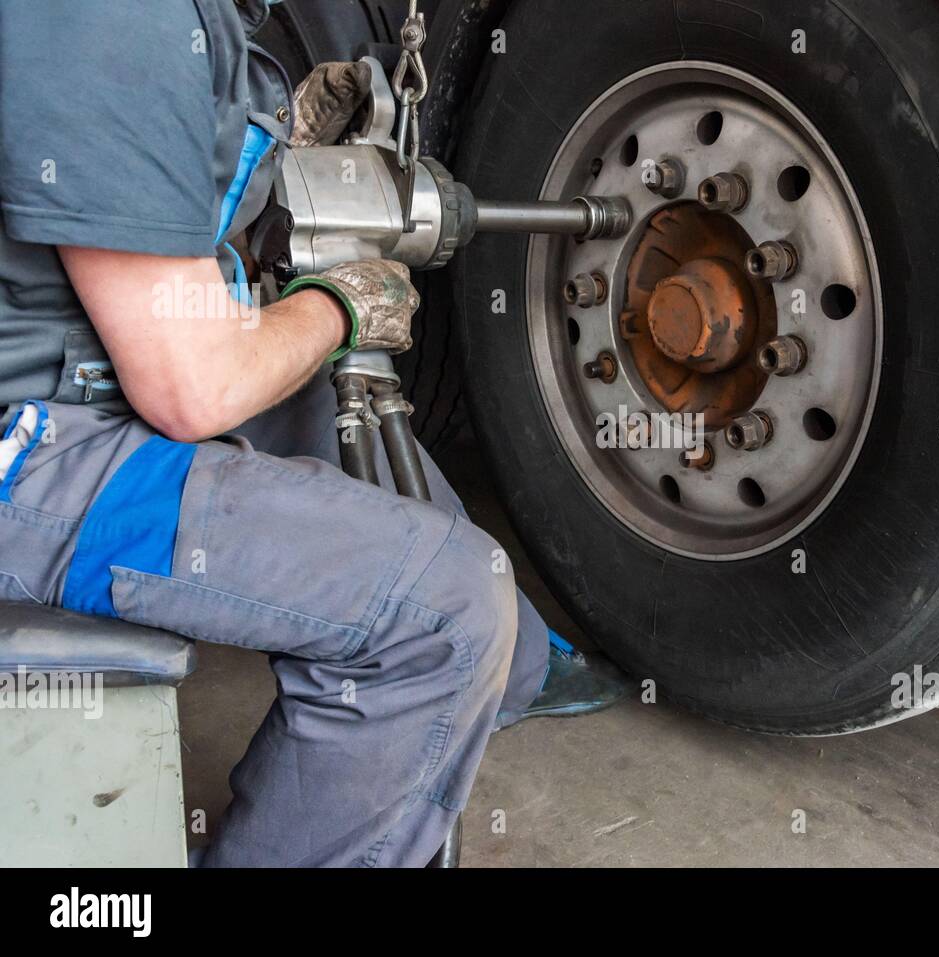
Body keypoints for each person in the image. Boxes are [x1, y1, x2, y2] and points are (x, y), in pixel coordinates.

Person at [0, 0, 626, 867]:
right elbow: (196, 386)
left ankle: (511, 666)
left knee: (345, 440)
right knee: (443, 610)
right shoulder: (110, 17)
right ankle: (444, 662)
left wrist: (251, 151)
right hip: (32, 449)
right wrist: (339, 305)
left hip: (86, 362)